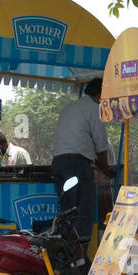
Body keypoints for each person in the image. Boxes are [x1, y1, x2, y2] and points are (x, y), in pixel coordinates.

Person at [51, 77, 112, 248]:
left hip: (59, 164)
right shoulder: (94, 108)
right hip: (76, 164)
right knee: (82, 212)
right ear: (100, 95)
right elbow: (101, 145)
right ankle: (79, 259)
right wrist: (106, 169)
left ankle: (65, 255)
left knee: (67, 213)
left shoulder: (70, 107)